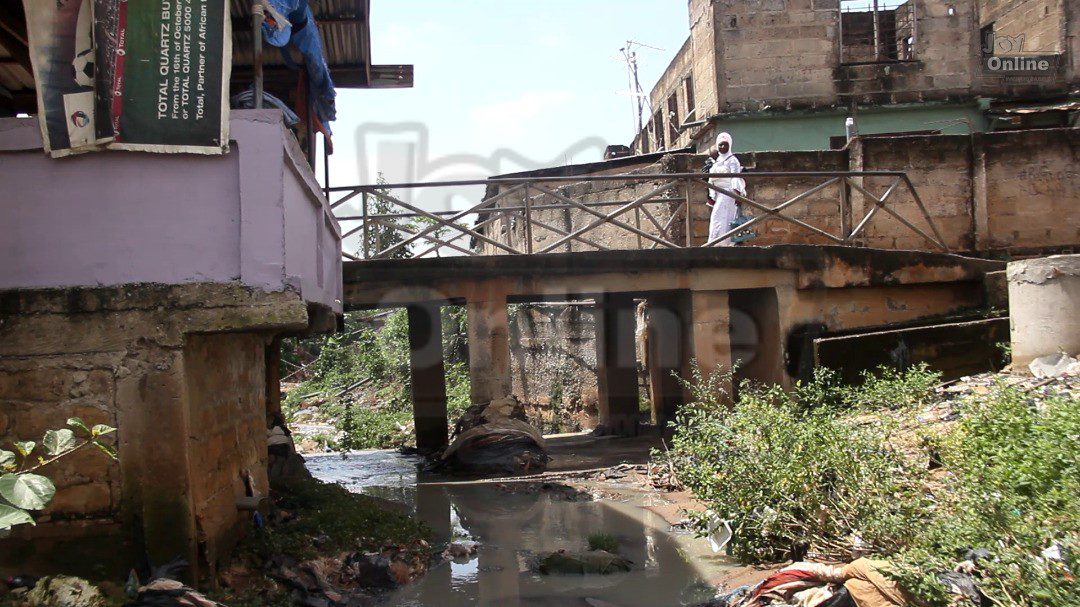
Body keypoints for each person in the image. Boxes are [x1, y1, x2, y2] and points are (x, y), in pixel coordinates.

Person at [260, 0, 337, 126]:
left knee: (280, 36)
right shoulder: (319, 72)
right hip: (295, 21)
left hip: (293, 23)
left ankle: (270, 18)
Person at [707, 132, 746, 245]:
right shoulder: (718, 161)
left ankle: (725, 243)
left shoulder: (732, 160)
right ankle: (717, 243)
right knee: (717, 218)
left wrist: (736, 194)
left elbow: (735, 177)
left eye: (725, 145)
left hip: (728, 193)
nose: (723, 147)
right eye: (720, 145)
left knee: (724, 218)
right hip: (719, 193)